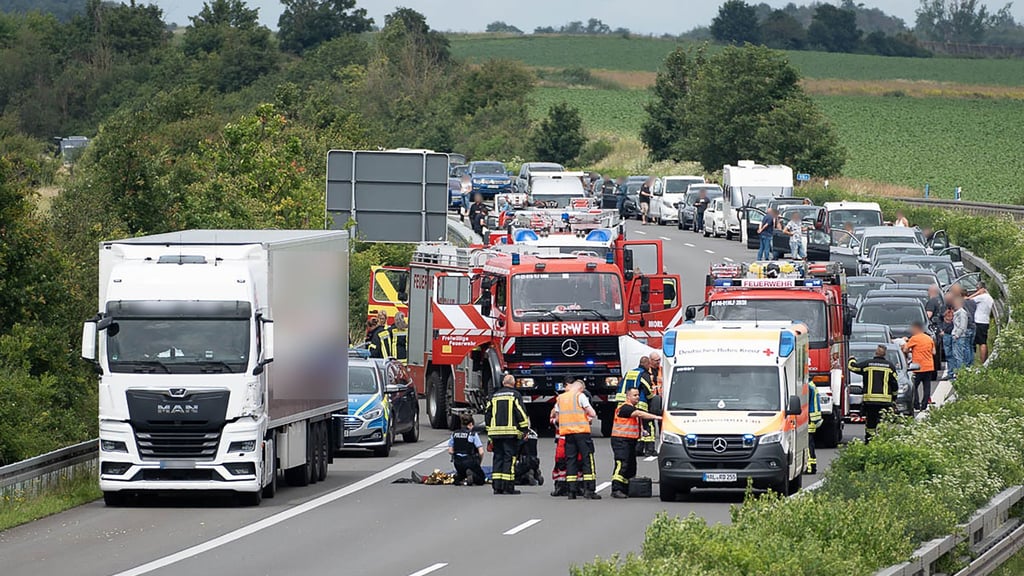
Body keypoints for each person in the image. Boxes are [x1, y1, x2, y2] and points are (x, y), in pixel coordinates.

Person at [610, 387, 662, 499]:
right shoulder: (625, 407)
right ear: (628, 397)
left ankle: (626, 487)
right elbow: (640, 414)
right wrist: (657, 417)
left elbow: (635, 421)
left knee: (631, 465)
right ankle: (616, 488)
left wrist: (642, 431)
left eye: (638, 395)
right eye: (634, 395)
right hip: (620, 440)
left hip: (630, 440)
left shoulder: (632, 408)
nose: (637, 397)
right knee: (622, 463)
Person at [552, 380, 600, 499]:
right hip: (582, 432)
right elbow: (592, 413)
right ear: (580, 388)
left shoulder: (561, 398)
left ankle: (571, 491)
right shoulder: (580, 396)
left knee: (571, 461)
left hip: (568, 434)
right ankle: (589, 490)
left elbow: (557, 418)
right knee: (587, 459)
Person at [485, 374, 530, 495]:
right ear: (513, 383)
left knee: (497, 458)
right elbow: (520, 412)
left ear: (503, 383)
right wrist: (525, 429)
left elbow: (488, 414)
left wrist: (489, 431)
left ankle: (497, 486)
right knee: (509, 458)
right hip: (510, 433)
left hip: (495, 433)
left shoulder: (494, 396)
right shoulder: (515, 395)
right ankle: (508, 486)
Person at [848, 345, 899, 444]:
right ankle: (881, 442)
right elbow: (894, 385)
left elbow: (852, 367)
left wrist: (851, 359)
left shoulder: (868, 364)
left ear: (875, 353)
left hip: (870, 401)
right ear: (885, 354)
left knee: (870, 423)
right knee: (882, 422)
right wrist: (894, 398)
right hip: (885, 402)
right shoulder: (890, 367)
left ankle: (869, 442)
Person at [903, 321, 936, 411]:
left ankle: (916, 404)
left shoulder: (914, 339)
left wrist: (911, 349)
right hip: (929, 366)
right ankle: (924, 404)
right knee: (926, 386)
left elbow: (905, 349)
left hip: (918, 367)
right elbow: (934, 352)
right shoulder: (929, 338)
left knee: (914, 386)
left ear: (916, 328)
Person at [449, 414, 486, 486]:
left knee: (462, 474)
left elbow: (450, 451)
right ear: (470, 424)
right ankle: (472, 475)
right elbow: (481, 452)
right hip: (470, 461)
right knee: (481, 479)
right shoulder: (472, 434)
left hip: (457, 462)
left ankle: (459, 477)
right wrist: (478, 463)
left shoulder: (455, 434)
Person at [970, 282, 994, 364]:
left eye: (978, 288)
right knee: (983, 341)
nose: (977, 290)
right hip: (985, 321)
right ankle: (984, 360)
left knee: (981, 343)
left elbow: (969, 299)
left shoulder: (982, 297)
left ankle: (982, 361)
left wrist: (976, 293)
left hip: (979, 321)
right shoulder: (990, 298)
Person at [925, 285, 945, 368]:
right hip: (940, 326)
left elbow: (928, 315)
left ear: (931, 291)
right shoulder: (939, 301)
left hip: (934, 327)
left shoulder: (931, 302)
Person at [950, 296, 970, 380]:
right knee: (956, 355)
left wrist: (957, 335)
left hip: (959, 337)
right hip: (956, 336)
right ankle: (958, 372)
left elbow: (963, 325)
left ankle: (960, 374)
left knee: (959, 356)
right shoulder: (957, 312)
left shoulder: (962, 313)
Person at [806, 382, 822, 474]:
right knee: (810, 444)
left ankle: (810, 467)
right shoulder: (812, 385)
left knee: (807, 445)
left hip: (808, 420)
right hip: (812, 420)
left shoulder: (808, 387)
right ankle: (812, 466)